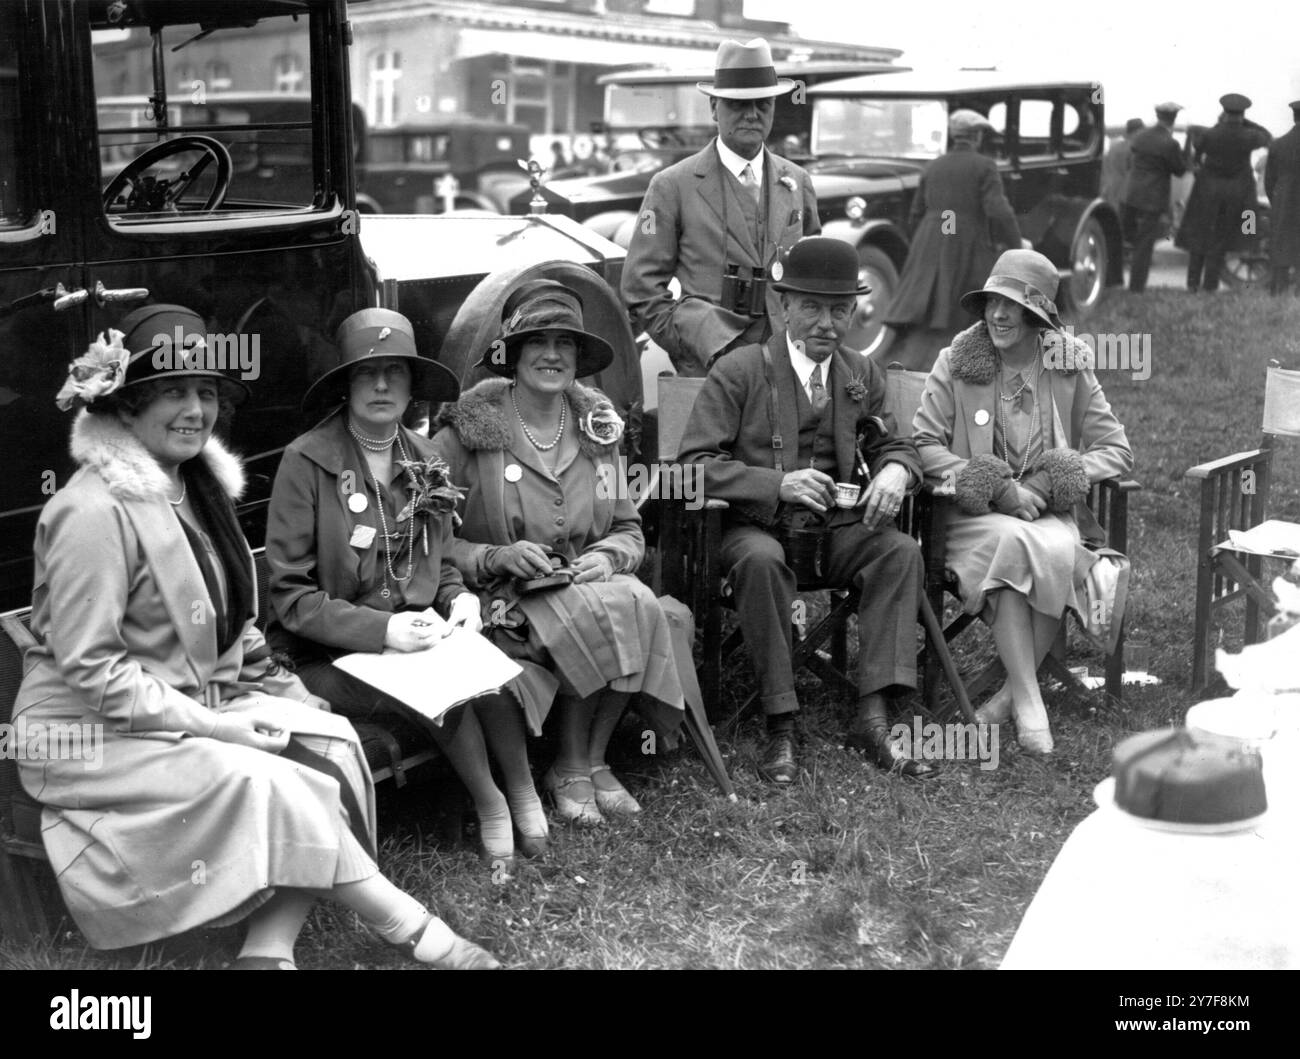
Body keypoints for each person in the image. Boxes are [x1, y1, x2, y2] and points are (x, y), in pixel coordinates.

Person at [14, 304, 498, 968]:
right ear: (126, 406)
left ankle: (268, 949)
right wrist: (218, 729)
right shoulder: (91, 510)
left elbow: (233, 628)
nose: (194, 409)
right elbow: (94, 672)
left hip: (192, 701)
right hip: (94, 730)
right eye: (172, 392)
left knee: (324, 739)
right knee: (265, 776)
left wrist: (289, 691)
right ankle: (413, 928)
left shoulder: (195, 489)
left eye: (205, 392)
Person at [265, 308, 548, 871]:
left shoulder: (424, 459)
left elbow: (438, 559)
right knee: (436, 679)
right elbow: (290, 596)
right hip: (328, 653)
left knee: (484, 663)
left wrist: (458, 599)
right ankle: (491, 804)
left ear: (411, 384)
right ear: (345, 385)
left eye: (394, 371)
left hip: (416, 634)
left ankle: (524, 793)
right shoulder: (307, 461)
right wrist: (384, 630)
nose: (380, 385)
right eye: (366, 373)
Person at [677, 237, 933, 783]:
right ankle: (781, 721)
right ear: (784, 306)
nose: (827, 323)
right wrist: (777, 482)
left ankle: (873, 714)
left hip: (834, 532)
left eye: (840, 310)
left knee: (899, 551)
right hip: (754, 529)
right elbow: (693, 466)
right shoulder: (740, 370)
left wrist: (896, 470)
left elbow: (899, 444)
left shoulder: (862, 372)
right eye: (812, 307)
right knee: (762, 563)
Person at [432, 281, 686, 825]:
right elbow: (429, 541)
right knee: (611, 605)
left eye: (565, 343)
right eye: (537, 341)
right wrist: (494, 557)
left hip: (584, 586)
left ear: (577, 358)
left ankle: (588, 761)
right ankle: (571, 765)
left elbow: (627, 529)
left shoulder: (598, 429)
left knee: (635, 599)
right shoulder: (466, 431)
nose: (552, 354)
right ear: (513, 354)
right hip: (501, 599)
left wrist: (609, 558)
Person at [912, 250, 1133, 756]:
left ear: (1039, 319)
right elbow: (923, 445)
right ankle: (1030, 700)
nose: (998, 315)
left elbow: (1116, 450)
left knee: (1054, 548)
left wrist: (1050, 480)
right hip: (970, 517)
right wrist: (995, 486)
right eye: (992, 302)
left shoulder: (1067, 364)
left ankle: (1011, 696)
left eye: (1012, 306)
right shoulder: (957, 361)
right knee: (1014, 541)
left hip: (1046, 515)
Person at [621, 38, 820, 377]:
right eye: (737, 105)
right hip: (709, 371)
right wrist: (693, 343)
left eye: (763, 104)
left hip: (788, 366)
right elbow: (640, 289)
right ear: (714, 108)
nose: (752, 115)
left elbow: (813, 270)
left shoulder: (797, 181)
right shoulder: (671, 186)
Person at [881, 109, 1024, 372]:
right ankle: (965, 365)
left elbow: (915, 214)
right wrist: (1016, 246)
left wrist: (933, 236)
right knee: (970, 304)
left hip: (929, 240)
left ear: (955, 136)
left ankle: (916, 364)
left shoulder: (933, 165)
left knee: (930, 306)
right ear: (978, 136)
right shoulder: (985, 166)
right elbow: (997, 209)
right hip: (965, 241)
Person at [1178, 94, 1271, 293]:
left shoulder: (1210, 134)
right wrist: (1246, 122)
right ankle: (1210, 285)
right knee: (1219, 241)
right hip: (1235, 196)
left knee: (1199, 237)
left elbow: (1197, 147)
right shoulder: (1249, 136)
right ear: (1242, 114)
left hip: (1206, 193)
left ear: (1224, 113)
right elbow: (1266, 135)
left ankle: (1192, 284)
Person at [1123, 102, 1188, 292]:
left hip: (1132, 195)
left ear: (1157, 116)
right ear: (1173, 120)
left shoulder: (1140, 136)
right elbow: (1180, 170)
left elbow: (1132, 160)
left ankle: (1125, 282)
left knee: (1134, 239)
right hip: (1153, 199)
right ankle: (1136, 287)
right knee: (1144, 244)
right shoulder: (1170, 143)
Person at [1265, 100, 1300, 295]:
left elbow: (1269, 181)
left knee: (1282, 243)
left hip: (1284, 200)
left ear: (1293, 117)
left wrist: (1277, 200)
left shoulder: (1278, 144)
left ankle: (1279, 290)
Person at [1101, 118, 1145, 216]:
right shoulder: (1135, 149)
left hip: (1110, 187)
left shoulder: (1114, 147)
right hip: (1125, 192)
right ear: (1137, 132)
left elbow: (1106, 167)